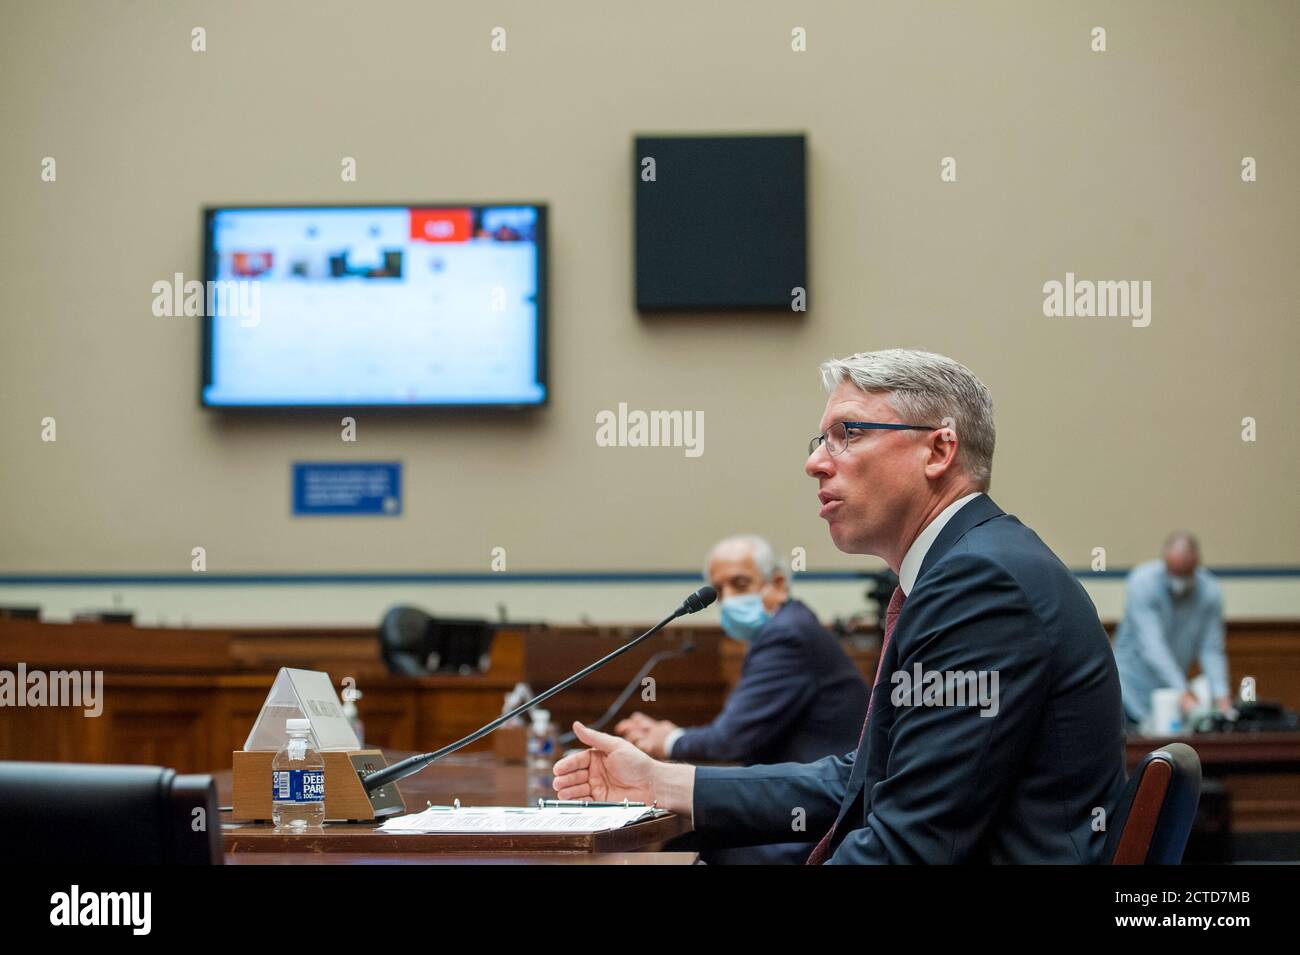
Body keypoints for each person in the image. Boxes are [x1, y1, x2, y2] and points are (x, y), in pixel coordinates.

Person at [554, 348, 1127, 864]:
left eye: (848, 433)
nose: (816, 463)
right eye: (820, 441)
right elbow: (865, 781)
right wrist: (662, 784)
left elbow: (913, 845)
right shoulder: (971, 566)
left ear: (939, 449)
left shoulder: (980, 584)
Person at [615, 535, 868, 864]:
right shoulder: (791, 625)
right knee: (684, 836)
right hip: (804, 805)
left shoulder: (786, 636)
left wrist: (670, 741)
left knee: (681, 844)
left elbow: (731, 740)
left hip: (815, 821)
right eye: (721, 591)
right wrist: (671, 737)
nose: (730, 599)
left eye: (740, 583)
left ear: (777, 583)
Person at [1112, 532, 1231, 731]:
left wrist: (1222, 696)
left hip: (1171, 699)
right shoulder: (1142, 582)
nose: (1178, 580)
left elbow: (1211, 649)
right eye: (1173, 571)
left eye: (1184, 572)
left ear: (1196, 564)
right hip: (1129, 694)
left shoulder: (1210, 592)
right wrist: (1183, 691)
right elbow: (1152, 646)